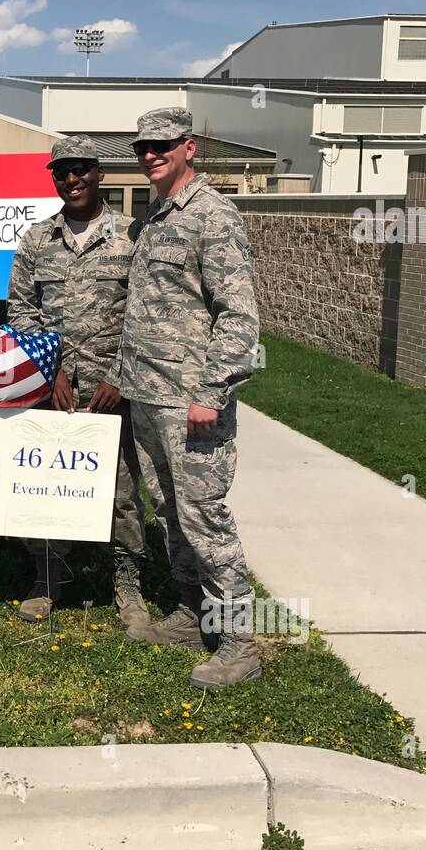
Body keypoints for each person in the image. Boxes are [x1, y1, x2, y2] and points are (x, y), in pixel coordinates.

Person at [118, 108, 261, 688]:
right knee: (171, 513)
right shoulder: (153, 217)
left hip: (191, 405)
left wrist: (211, 391)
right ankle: (189, 611)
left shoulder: (212, 215)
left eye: (162, 145)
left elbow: (240, 315)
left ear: (189, 147)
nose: (151, 154)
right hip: (149, 396)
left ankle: (238, 642)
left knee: (205, 517)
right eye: (143, 148)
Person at [6, 135, 149, 633]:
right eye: (62, 171)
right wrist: (50, 373)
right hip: (54, 395)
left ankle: (127, 585)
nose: (72, 179)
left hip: (115, 392)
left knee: (122, 491)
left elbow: (146, 315)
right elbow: (20, 311)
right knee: (47, 486)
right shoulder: (36, 239)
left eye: (81, 169)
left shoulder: (134, 236)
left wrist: (119, 375)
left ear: (99, 173)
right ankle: (47, 577)